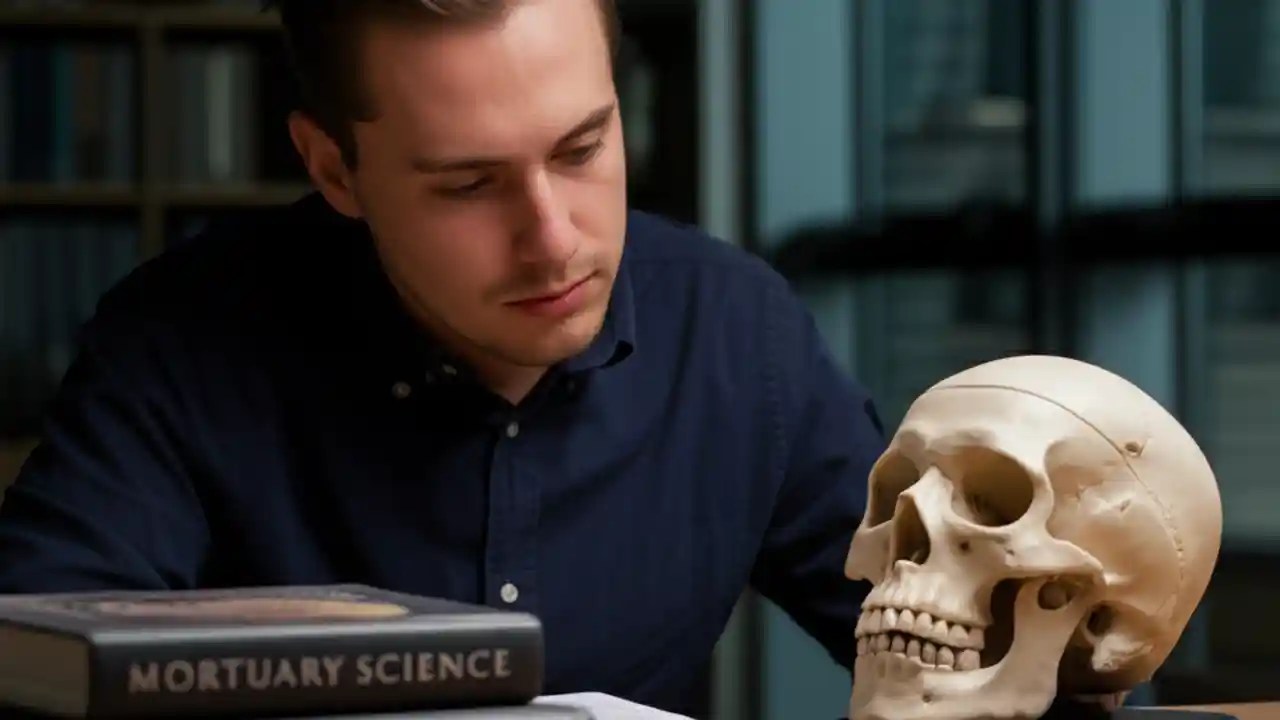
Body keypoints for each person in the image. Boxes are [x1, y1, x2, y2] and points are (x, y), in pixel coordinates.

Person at [0, 0, 886, 715]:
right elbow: (35, 665)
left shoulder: (738, 335)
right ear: (333, 168)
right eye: (468, 184)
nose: (552, 240)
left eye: (582, 148)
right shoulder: (178, 346)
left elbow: (970, 641)